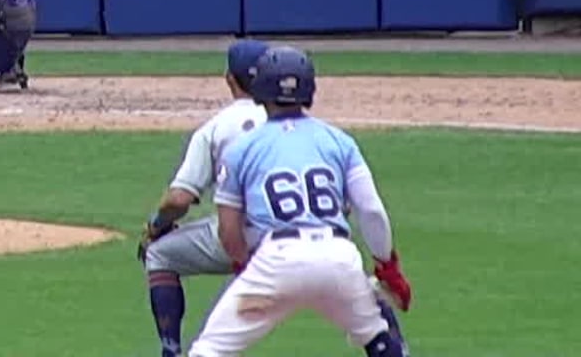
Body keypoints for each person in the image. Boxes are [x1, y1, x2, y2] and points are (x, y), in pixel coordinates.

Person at [186, 47, 414, 357]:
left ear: (260, 89)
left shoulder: (241, 150)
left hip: (277, 258)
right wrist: (388, 268)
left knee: (209, 350)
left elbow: (229, 230)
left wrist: (244, 267)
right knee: (380, 338)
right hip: (338, 258)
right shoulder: (339, 141)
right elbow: (371, 210)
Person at [136, 40, 274, 357]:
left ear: (229, 78)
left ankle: (170, 350)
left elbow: (179, 200)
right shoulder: (296, 123)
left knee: (160, 254)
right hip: (307, 236)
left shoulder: (215, 128)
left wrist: (155, 227)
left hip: (243, 238)